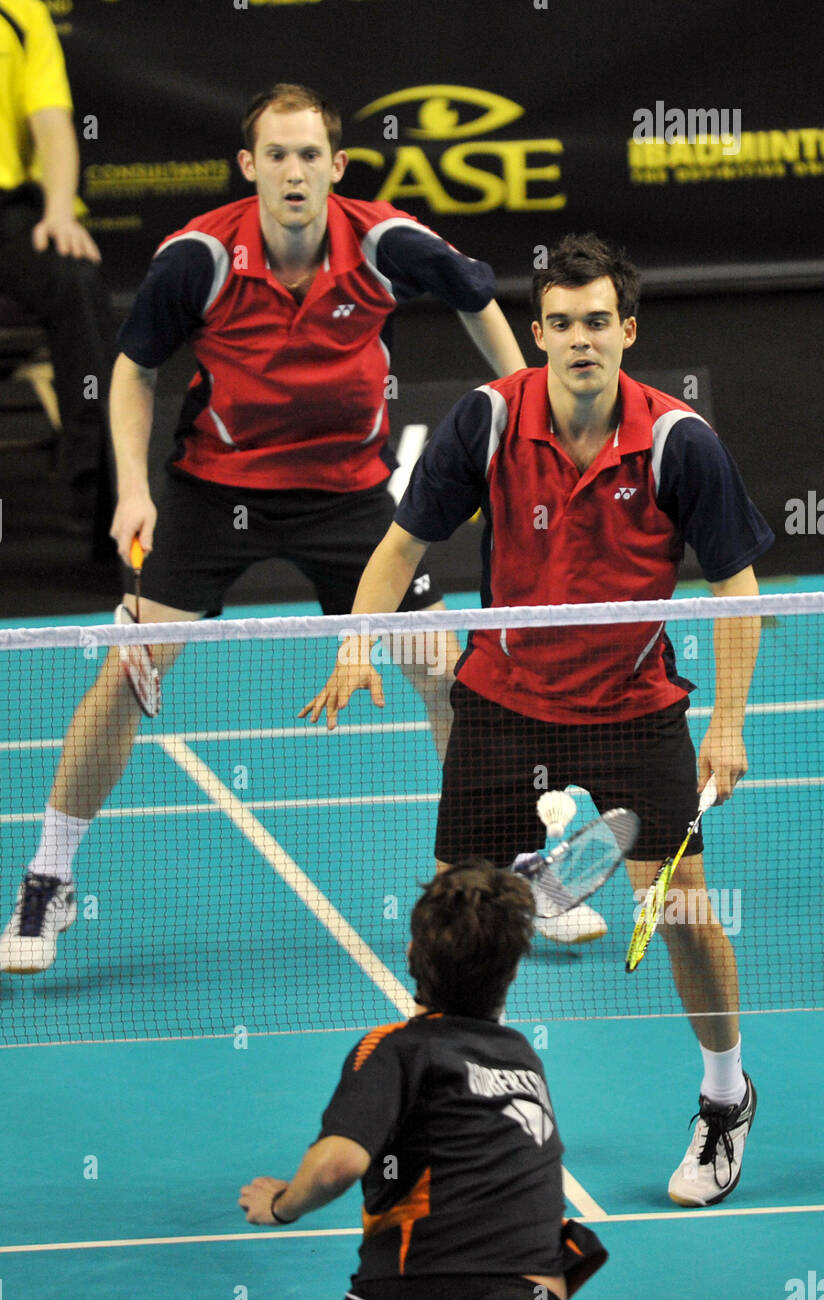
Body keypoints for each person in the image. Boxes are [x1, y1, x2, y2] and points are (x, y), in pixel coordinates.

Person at [0, 83, 526, 976]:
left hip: (349, 493)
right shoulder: (197, 259)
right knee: (128, 672)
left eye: (309, 155)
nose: (293, 171)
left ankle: (502, 866)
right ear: (249, 167)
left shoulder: (386, 242)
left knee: (442, 668)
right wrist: (133, 489)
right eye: (275, 155)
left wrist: (524, 419)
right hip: (212, 488)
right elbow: (132, 372)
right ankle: (50, 879)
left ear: (336, 168)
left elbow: (476, 298)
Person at [303, 232, 776, 1209]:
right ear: (539, 333)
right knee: (458, 924)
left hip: (632, 703)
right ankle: (455, 1114)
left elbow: (737, 585)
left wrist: (726, 723)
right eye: (559, 324)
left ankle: (725, 1095)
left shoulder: (678, 439)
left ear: (628, 330)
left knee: (683, 910)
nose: (579, 340)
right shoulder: (486, 421)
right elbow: (399, 548)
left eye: (597, 321)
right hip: (507, 700)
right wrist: (356, 645)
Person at [239, 859, 607, 1300]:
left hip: (420, 1285)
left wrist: (281, 1207)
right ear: (511, 973)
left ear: (413, 953)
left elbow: (337, 1165)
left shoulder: (396, 1049)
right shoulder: (524, 1060)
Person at [0, 0, 115, 543]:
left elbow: (50, 122)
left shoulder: (18, 10)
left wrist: (57, 211)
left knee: (76, 279)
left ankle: (103, 506)